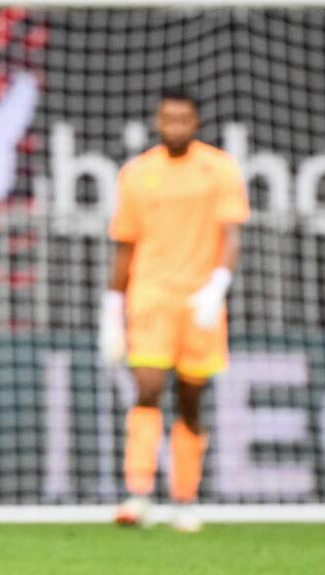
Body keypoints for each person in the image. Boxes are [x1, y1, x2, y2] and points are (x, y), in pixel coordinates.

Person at [99, 88, 250, 533]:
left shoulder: (219, 167)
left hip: (200, 301)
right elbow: (125, 245)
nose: (176, 126)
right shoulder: (138, 173)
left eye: (184, 119)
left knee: (191, 399)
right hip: (151, 297)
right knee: (147, 387)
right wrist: (112, 308)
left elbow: (232, 236)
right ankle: (139, 493)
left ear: (196, 122)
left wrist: (218, 285)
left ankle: (185, 497)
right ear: (157, 121)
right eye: (168, 118)